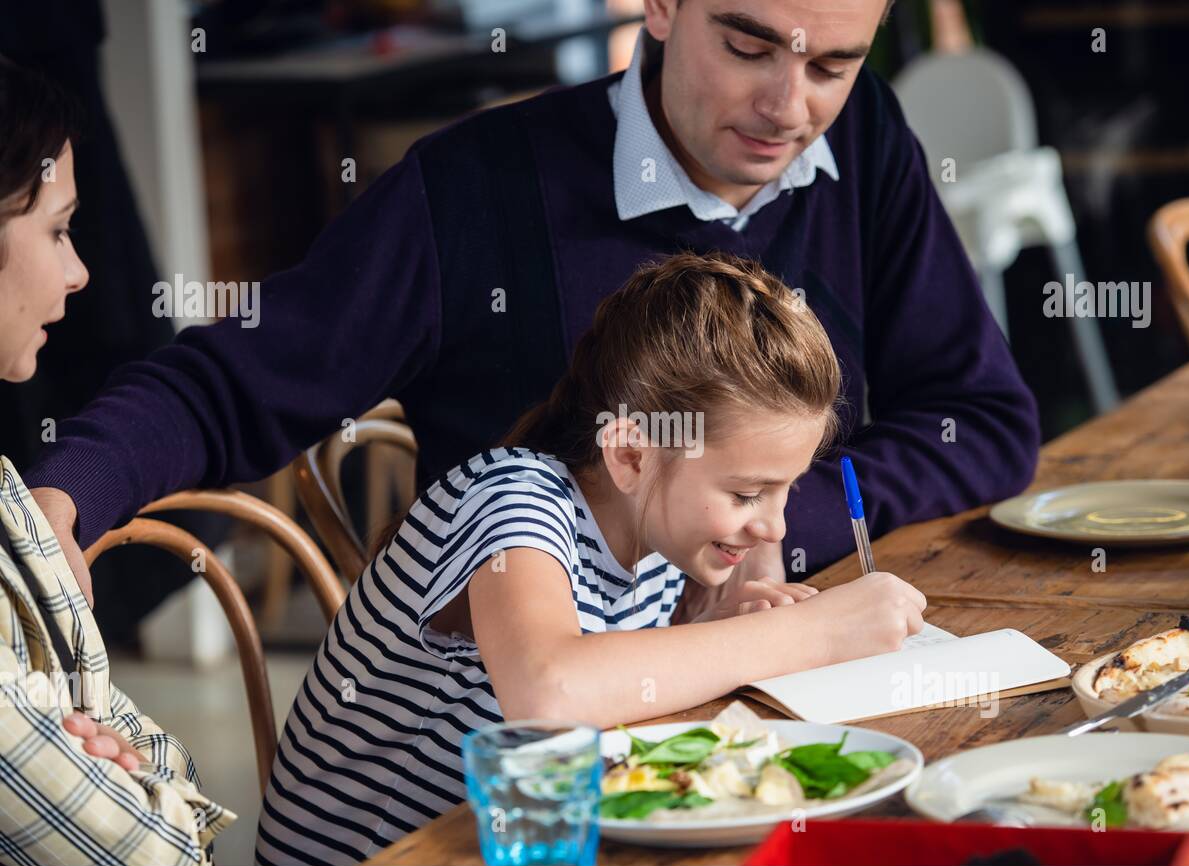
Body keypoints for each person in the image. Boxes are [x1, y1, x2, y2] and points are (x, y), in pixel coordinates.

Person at [25, 0, 1039, 625]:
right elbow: (227, 383)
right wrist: (68, 492)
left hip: (781, 678)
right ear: (660, 3)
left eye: (831, 64)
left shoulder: (862, 142)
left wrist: (771, 520)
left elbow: (984, 420)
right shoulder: (471, 190)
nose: (788, 107)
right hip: (524, 743)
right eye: (748, 46)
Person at [255, 252, 928, 865]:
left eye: (789, 488)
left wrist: (708, 636)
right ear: (631, 454)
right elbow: (549, 691)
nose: (775, 527)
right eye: (748, 492)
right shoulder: (511, 498)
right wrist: (796, 635)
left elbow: (611, 697)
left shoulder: (660, 537)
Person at [0, 57, 234, 866]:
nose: (79, 271)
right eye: (58, 230)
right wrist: (143, 788)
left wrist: (133, 774)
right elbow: (148, 858)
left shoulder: (8, 486)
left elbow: (160, 765)